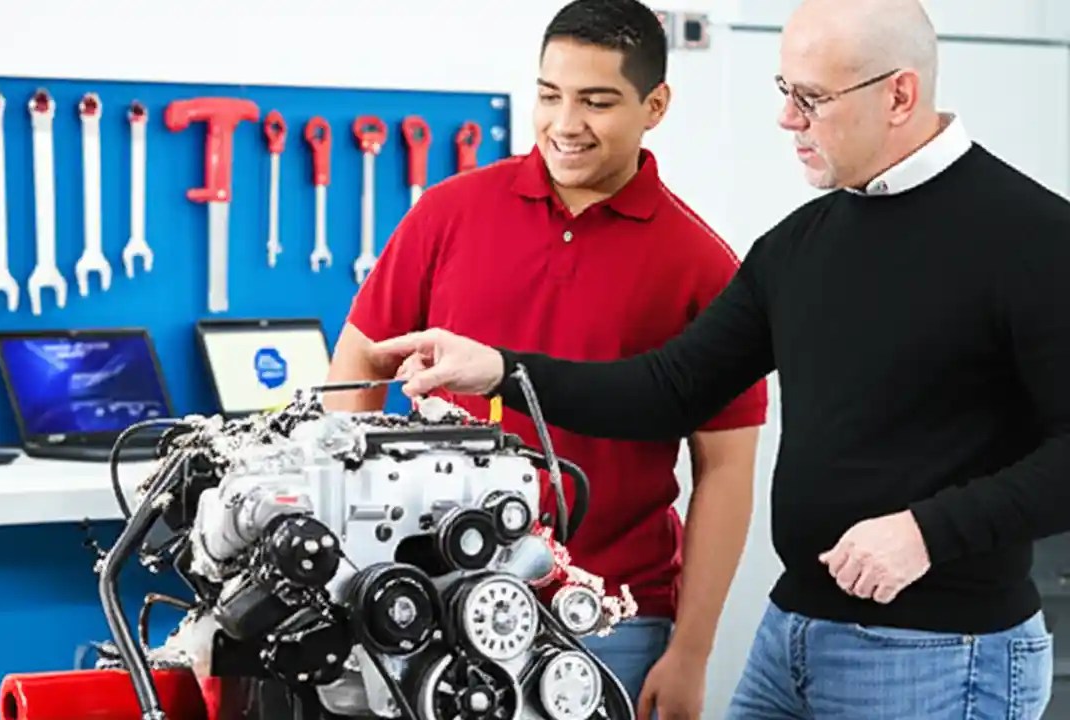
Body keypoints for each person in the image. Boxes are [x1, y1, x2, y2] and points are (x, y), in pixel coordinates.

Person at [364, 0, 1070, 717]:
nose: (787, 119)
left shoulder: (1034, 239)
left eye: (812, 99)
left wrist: (927, 532)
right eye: (783, 91)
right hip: (791, 634)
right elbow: (669, 389)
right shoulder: (798, 246)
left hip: (942, 653)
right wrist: (502, 370)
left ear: (899, 94)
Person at [324, 0, 768, 715]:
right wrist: (353, 563)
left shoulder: (704, 266)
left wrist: (691, 652)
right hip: (430, 603)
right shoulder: (449, 211)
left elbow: (726, 470)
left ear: (655, 105)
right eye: (550, 95)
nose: (565, 123)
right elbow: (359, 365)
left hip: (611, 622)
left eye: (597, 102)